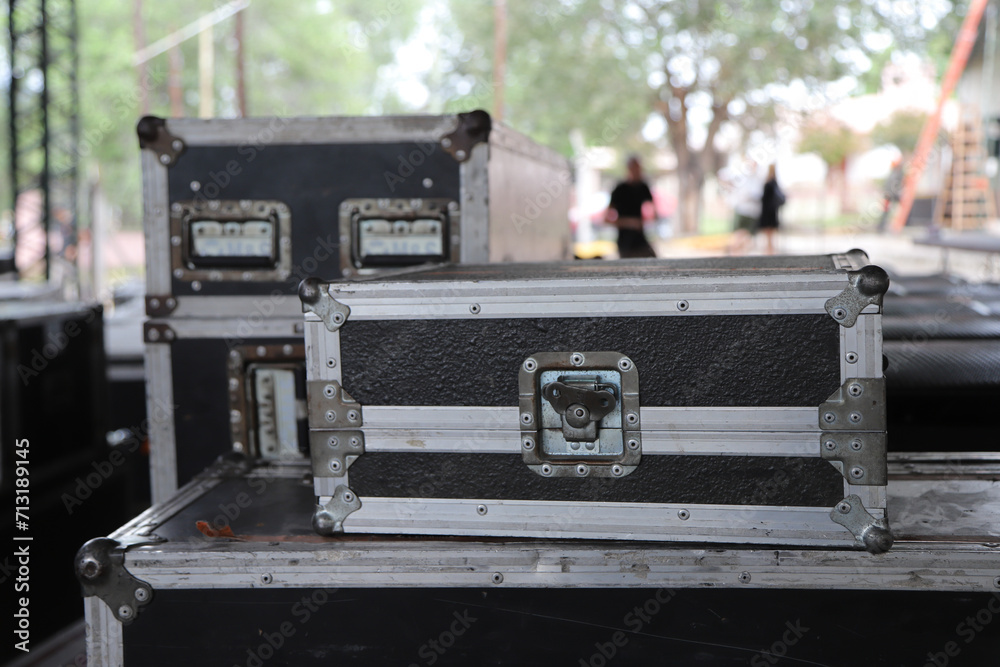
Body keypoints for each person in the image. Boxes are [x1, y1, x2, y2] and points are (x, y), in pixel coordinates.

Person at [606, 156, 657, 258]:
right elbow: (607, 219)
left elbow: (654, 212)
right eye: (635, 167)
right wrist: (631, 223)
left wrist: (648, 219)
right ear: (629, 168)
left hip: (640, 239)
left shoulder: (643, 187)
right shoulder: (620, 190)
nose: (637, 171)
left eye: (639, 168)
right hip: (625, 242)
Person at [758, 164, 785, 255]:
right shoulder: (775, 183)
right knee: (771, 236)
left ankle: (769, 253)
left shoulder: (768, 184)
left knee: (768, 236)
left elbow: (763, 199)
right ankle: (771, 252)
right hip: (773, 212)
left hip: (767, 213)